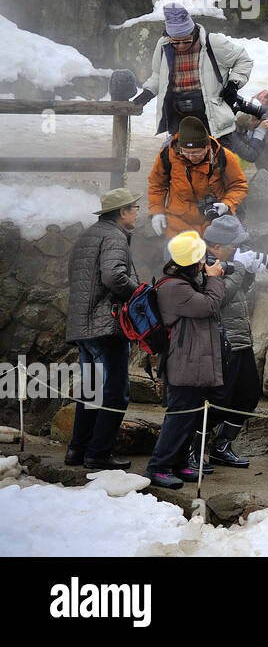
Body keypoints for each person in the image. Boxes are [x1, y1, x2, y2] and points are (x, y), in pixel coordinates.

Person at [63, 188, 142, 470]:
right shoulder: (115, 236)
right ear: (122, 212)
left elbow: (74, 273)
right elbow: (113, 276)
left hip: (83, 327)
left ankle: (78, 449)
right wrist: (139, 294)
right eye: (134, 207)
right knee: (114, 393)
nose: (137, 212)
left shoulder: (88, 235)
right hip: (106, 327)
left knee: (91, 391)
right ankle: (98, 453)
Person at [145, 230, 227, 490]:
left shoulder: (182, 282)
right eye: (201, 260)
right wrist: (214, 279)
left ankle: (179, 462)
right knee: (179, 415)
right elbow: (208, 306)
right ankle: (158, 467)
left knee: (190, 415)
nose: (205, 263)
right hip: (183, 361)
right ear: (192, 263)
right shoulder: (174, 288)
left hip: (192, 360)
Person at [201, 214, 267, 469]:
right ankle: (194, 450)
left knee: (248, 394)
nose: (237, 249)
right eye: (233, 246)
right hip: (221, 342)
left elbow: (239, 291)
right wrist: (239, 267)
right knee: (217, 400)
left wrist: (249, 271)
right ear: (216, 245)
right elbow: (217, 297)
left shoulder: (227, 261)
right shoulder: (203, 263)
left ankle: (221, 447)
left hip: (240, 339)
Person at [134, 4, 254, 141]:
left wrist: (233, 85)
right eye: (175, 42)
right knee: (181, 160)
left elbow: (243, 59)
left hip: (212, 116)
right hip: (179, 117)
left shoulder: (212, 43)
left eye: (186, 41)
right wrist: (147, 93)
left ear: (193, 32)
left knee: (221, 161)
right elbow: (158, 75)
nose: (181, 46)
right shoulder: (163, 45)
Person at [148, 116, 249, 240]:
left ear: (207, 147)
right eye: (185, 152)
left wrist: (227, 204)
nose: (191, 157)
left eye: (196, 153)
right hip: (179, 224)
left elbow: (239, 185)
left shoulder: (224, 156)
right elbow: (157, 185)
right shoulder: (168, 155)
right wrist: (157, 211)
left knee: (220, 257)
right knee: (175, 257)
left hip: (215, 222)